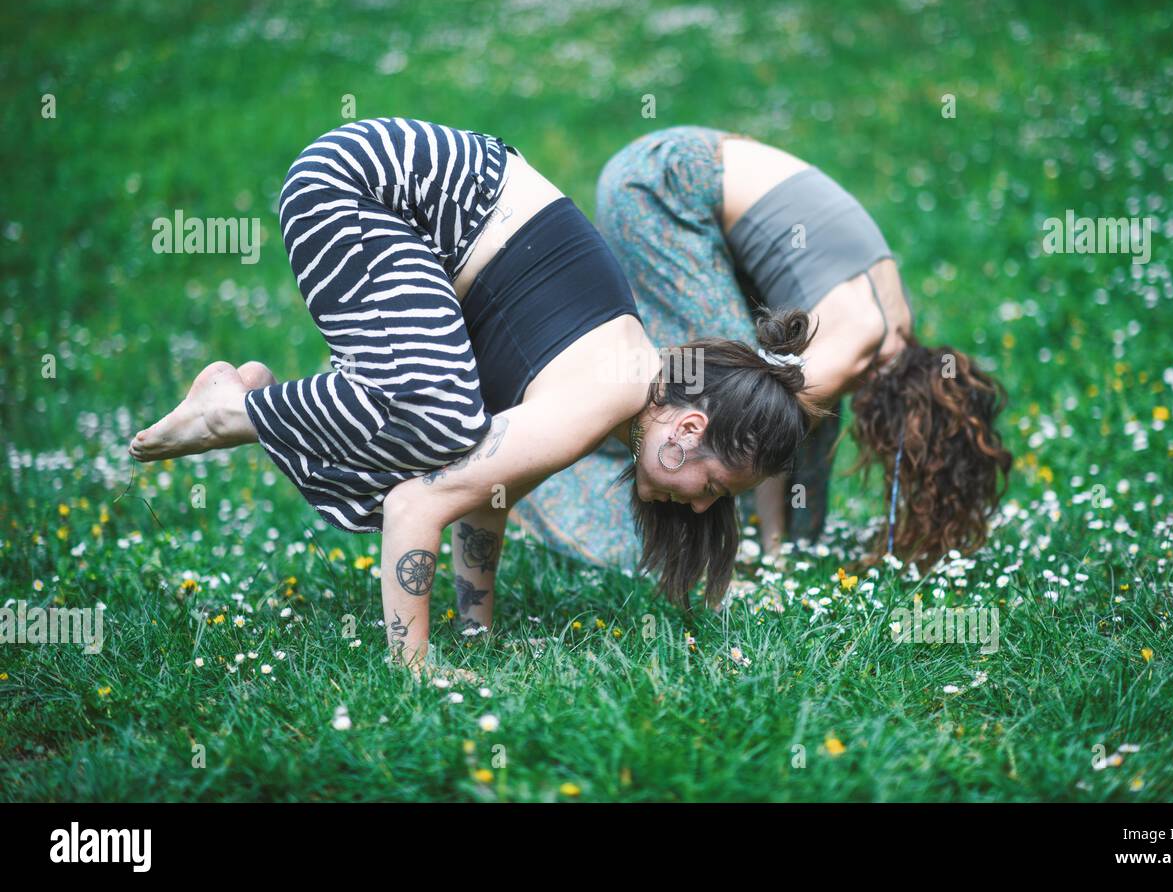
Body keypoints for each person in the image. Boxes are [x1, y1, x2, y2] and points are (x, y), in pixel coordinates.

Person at [129, 118, 822, 670]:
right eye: (714, 484)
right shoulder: (599, 404)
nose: (701, 503)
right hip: (362, 184)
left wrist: (477, 631)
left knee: (426, 459)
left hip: (404, 199)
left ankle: (243, 400)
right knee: (434, 437)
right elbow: (419, 504)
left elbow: (487, 493)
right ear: (688, 427)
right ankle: (233, 409)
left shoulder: (620, 382)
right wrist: (415, 667)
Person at [512, 126, 1012, 573]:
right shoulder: (854, 349)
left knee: (799, 508)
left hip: (693, 163)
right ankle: (525, 461)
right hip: (663, 189)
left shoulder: (890, 324)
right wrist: (770, 553)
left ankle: (761, 542)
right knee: (705, 402)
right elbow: (756, 428)